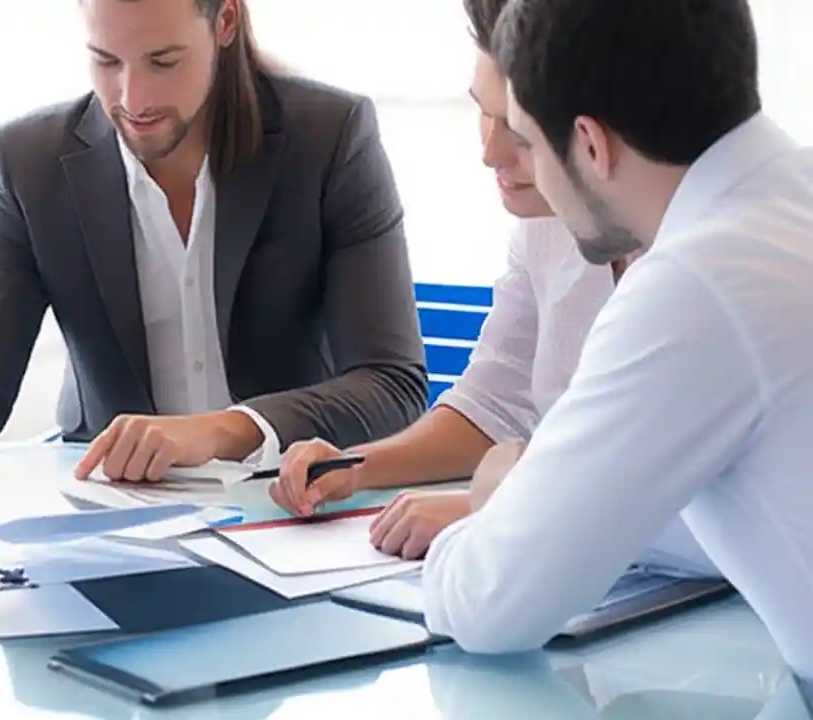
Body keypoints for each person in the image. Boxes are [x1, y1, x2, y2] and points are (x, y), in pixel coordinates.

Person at [0, 0, 429, 523]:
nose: (132, 99)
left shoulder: (329, 136)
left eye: (163, 61)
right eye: (105, 61)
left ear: (225, 23)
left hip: (290, 511)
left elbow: (391, 383)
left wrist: (220, 429)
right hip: (111, 526)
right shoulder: (30, 160)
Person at [418, 0, 813, 688]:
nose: (529, 172)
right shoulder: (788, 201)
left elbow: (487, 604)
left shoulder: (695, 282)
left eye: (531, 145)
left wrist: (503, 501)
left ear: (591, 146)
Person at [268, 0, 716, 578]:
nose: (489, 152)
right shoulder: (544, 225)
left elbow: (678, 488)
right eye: (484, 113)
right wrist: (358, 467)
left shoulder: (709, 254)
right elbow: (492, 406)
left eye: (520, 130)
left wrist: (495, 508)